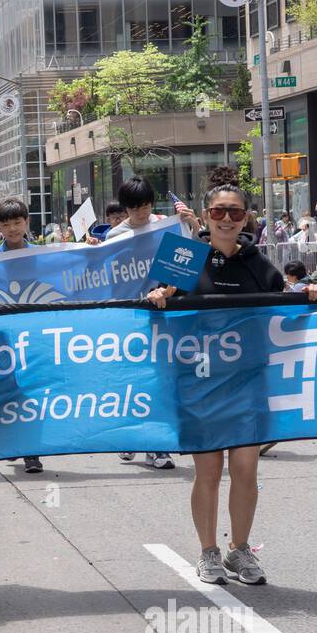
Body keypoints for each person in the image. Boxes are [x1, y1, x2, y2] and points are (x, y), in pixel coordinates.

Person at [148, 186, 317, 585]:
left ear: (247, 217)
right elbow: (152, 299)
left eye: (235, 212)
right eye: (218, 211)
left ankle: (240, 551)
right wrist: (159, 294)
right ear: (205, 214)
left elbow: (285, 308)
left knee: (245, 468)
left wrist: (311, 295)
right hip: (197, 383)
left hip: (248, 380)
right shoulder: (183, 258)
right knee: (208, 470)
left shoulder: (259, 263)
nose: (226, 219)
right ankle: (208, 552)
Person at [109, 177, 199, 470]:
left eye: (146, 206)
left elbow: (192, 262)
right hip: (130, 318)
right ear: (125, 208)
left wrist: (193, 228)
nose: (141, 213)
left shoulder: (166, 226)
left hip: (165, 313)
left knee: (161, 379)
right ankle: (136, 437)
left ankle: (156, 445)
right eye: (135, 208)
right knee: (135, 379)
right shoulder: (116, 237)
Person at [0, 198, 46, 472]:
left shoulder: (46, 257)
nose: (12, 229)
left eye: (17, 223)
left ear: (27, 222)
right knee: (9, 392)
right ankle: (14, 442)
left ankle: (31, 451)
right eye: (6, 224)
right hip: (3, 339)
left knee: (33, 391)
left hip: (35, 336)